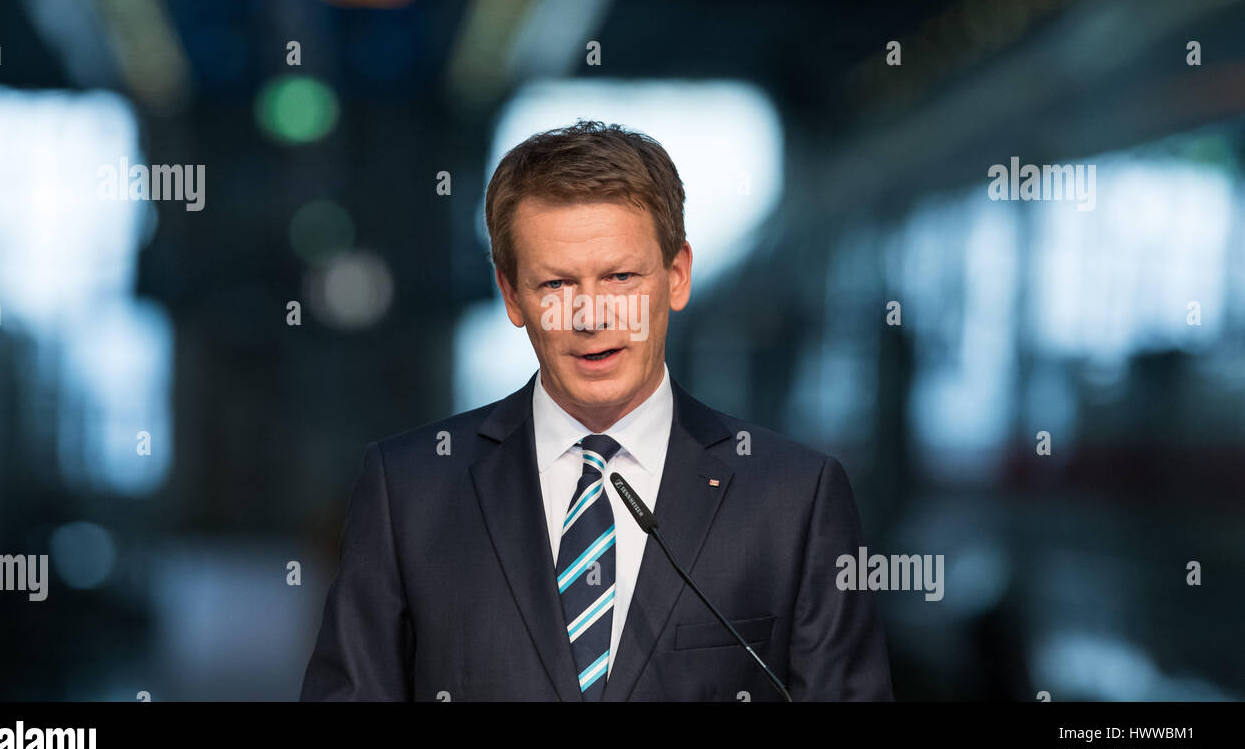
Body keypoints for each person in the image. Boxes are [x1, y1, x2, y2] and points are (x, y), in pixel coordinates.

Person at [300, 120, 892, 701]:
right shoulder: (407, 491)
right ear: (511, 297)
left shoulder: (796, 499)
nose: (590, 316)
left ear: (677, 276)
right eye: (555, 285)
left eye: (621, 277)